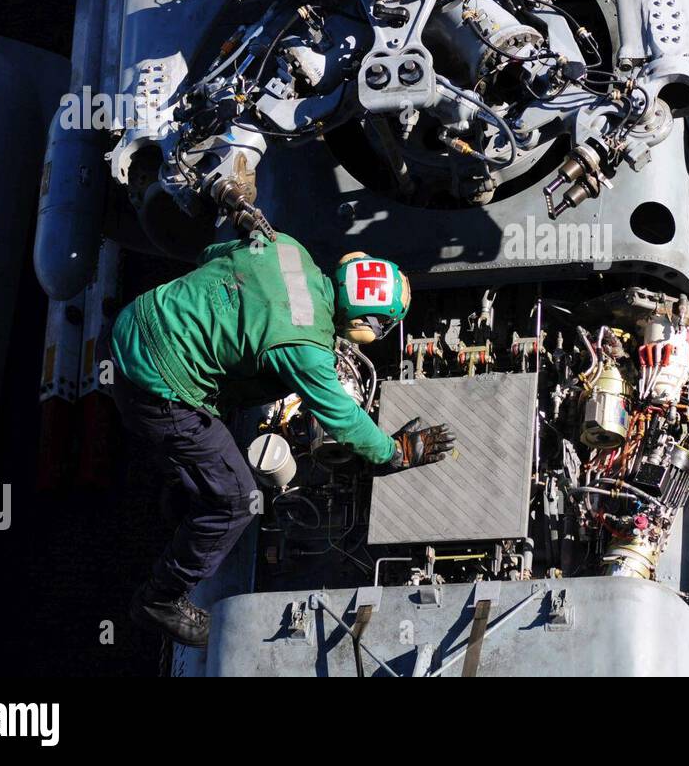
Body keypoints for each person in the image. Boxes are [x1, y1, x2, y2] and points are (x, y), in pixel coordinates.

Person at [109, 233, 455, 646]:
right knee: (235, 499)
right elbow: (343, 420)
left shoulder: (287, 249)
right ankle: (160, 600)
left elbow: (208, 253)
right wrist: (395, 451)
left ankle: (185, 497)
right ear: (362, 324)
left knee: (213, 445)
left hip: (138, 320)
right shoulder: (305, 349)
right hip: (157, 389)